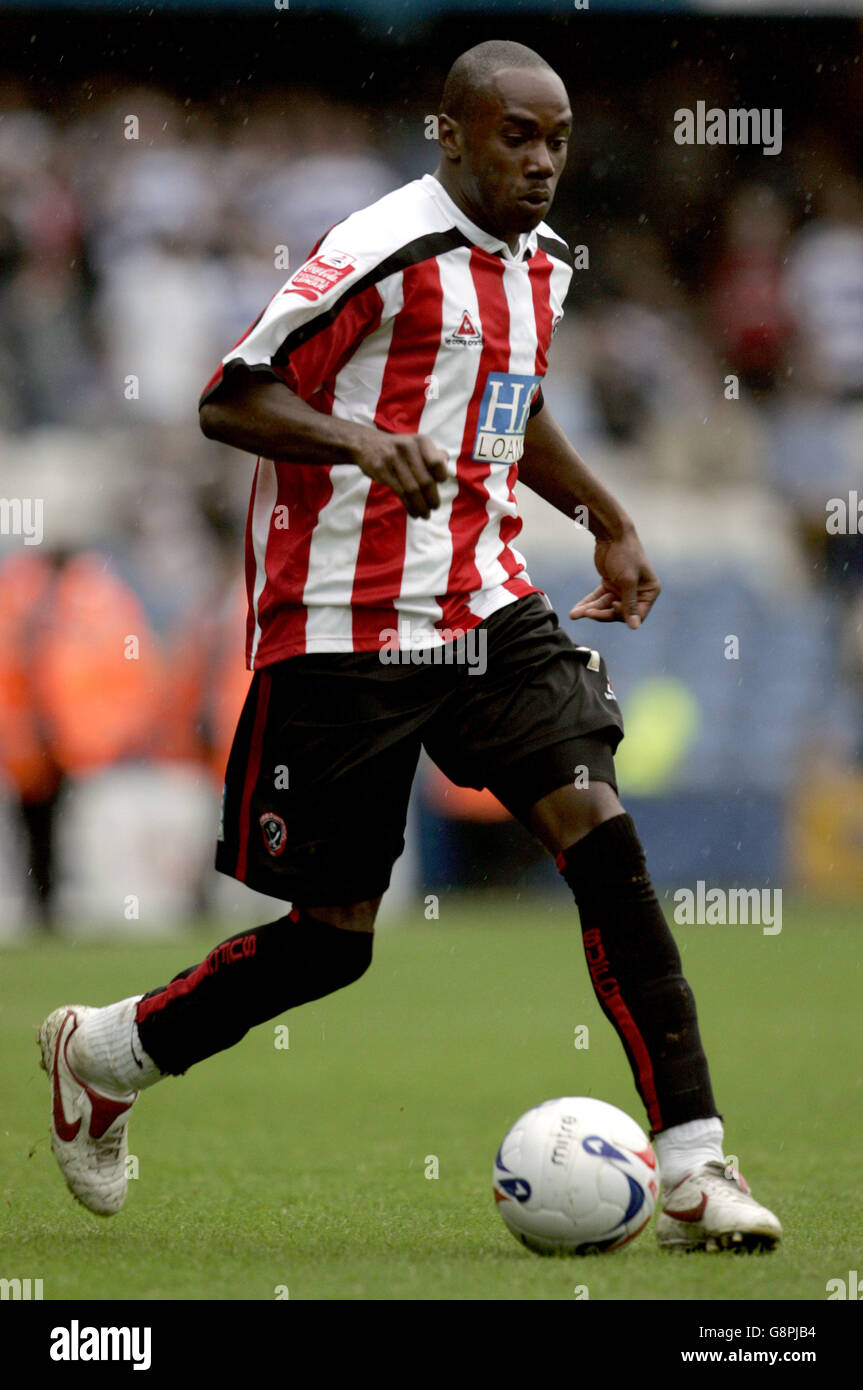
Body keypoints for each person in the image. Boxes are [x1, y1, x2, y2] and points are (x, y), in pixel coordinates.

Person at [38, 40, 781, 1252]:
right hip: (338, 621)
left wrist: (608, 521)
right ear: (448, 134)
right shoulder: (380, 248)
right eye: (514, 136)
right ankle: (109, 1050)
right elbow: (229, 396)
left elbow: (514, 402)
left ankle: (694, 1166)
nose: (540, 162)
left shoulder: (540, 268)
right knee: (332, 945)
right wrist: (355, 441)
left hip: (484, 604)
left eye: (556, 139)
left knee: (599, 832)